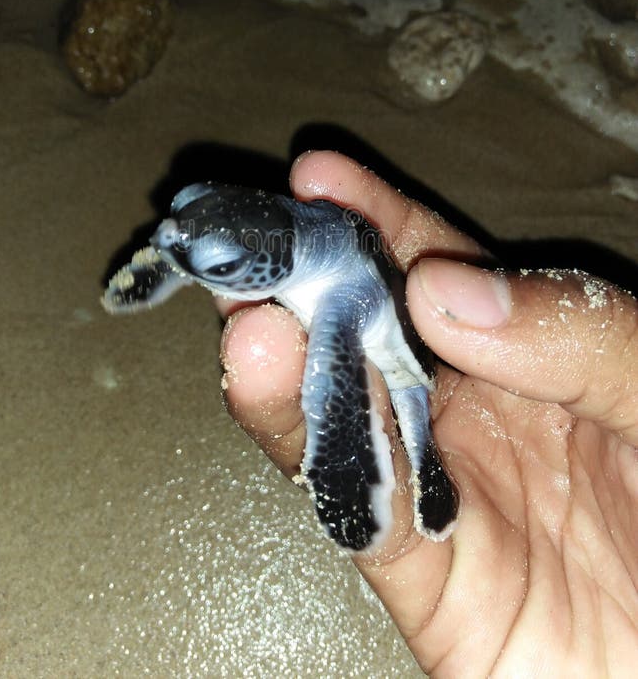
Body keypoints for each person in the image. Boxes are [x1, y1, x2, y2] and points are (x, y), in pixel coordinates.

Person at [217, 150, 638, 677]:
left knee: (408, 417)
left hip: (396, 341)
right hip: (359, 290)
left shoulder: (333, 300)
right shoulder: (292, 243)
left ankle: (427, 473)